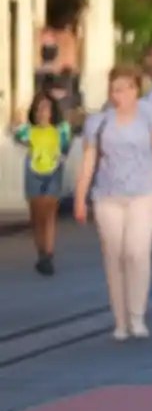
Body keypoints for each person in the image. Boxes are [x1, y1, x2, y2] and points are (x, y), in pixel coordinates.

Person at [74, 65, 152, 340]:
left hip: (144, 192)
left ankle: (137, 315)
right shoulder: (98, 122)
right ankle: (120, 320)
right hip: (107, 194)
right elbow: (89, 160)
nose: (119, 94)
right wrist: (80, 196)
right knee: (114, 255)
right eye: (115, 89)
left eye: (125, 88)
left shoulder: (150, 116)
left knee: (136, 251)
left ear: (136, 89)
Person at [12, 91, 73, 275]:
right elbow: (18, 136)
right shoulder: (29, 131)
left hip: (53, 172)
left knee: (49, 213)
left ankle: (48, 253)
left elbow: (65, 147)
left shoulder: (61, 129)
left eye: (45, 108)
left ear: (52, 110)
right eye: (38, 109)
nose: (42, 112)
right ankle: (41, 252)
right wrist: (17, 121)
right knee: (37, 215)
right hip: (33, 172)